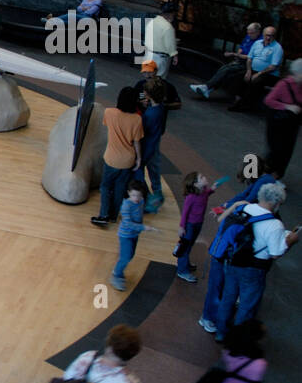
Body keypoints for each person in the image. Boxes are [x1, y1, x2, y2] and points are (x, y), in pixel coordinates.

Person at [214, 181, 298, 338]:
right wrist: (291, 240)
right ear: (277, 202)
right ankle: (238, 338)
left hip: (233, 260)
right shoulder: (274, 224)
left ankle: (221, 332)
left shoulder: (244, 209)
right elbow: (275, 253)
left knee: (228, 297)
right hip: (254, 268)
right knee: (247, 304)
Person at [90, 87, 144, 227]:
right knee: (120, 187)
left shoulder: (109, 112)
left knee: (106, 186)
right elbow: (137, 141)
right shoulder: (137, 119)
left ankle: (103, 215)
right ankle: (114, 216)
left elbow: (107, 126)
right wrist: (139, 159)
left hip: (111, 159)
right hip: (128, 160)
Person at [135, 68, 181, 212]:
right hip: (154, 145)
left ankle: (149, 199)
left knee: (139, 172)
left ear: (148, 94)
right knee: (154, 170)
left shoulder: (150, 114)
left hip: (147, 146)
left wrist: (140, 156)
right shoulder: (160, 107)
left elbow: (143, 131)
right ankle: (158, 194)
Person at [174, 171, 227, 282]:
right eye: (201, 177)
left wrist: (212, 189)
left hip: (198, 223)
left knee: (190, 244)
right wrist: (182, 227)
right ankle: (182, 271)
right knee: (185, 247)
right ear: (195, 184)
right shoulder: (191, 197)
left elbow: (206, 194)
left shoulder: (202, 192)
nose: (204, 177)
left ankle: (185, 264)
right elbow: (185, 212)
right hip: (189, 225)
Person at [191, 23, 261, 100]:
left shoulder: (259, 42)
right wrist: (237, 55)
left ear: (258, 32)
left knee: (227, 70)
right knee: (224, 68)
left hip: (248, 63)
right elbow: (242, 48)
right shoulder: (248, 37)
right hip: (240, 59)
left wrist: (234, 54)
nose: (249, 35)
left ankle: (207, 87)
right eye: (248, 33)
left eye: (251, 33)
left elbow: (250, 57)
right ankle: (208, 88)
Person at [111, 180, 157, 292]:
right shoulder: (126, 206)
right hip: (125, 235)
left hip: (135, 234)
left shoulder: (141, 201)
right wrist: (144, 227)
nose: (136, 198)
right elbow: (127, 223)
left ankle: (119, 268)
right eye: (133, 195)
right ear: (129, 193)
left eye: (138, 195)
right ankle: (116, 275)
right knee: (126, 257)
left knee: (130, 255)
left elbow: (140, 213)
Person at [228, 26, 284, 112]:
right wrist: (248, 71)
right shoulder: (257, 43)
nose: (268, 37)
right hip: (253, 70)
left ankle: (245, 104)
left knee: (256, 81)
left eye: (271, 36)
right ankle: (236, 100)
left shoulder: (277, 48)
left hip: (269, 74)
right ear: (263, 34)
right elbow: (250, 58)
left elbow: (273, 66)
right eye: (267, 35)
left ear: (274, 36)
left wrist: (259, 73)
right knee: (239, 76)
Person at [262, 58, 302, 176]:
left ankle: (277, 175)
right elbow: (268, 100)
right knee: (276, 149)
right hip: (278, 122)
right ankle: (266, 173)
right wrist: (287, 106)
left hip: (293, 123)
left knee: (287, 150)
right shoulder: (284, 84)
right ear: (297, 73)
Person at [142, 2, 178, 78]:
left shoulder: (151, 22)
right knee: (158, 82)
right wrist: (175, 56)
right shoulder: (168, 27)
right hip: (160, 58)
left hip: (148, 55)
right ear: (171, 14)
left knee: (147, 81)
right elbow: (170, 45)